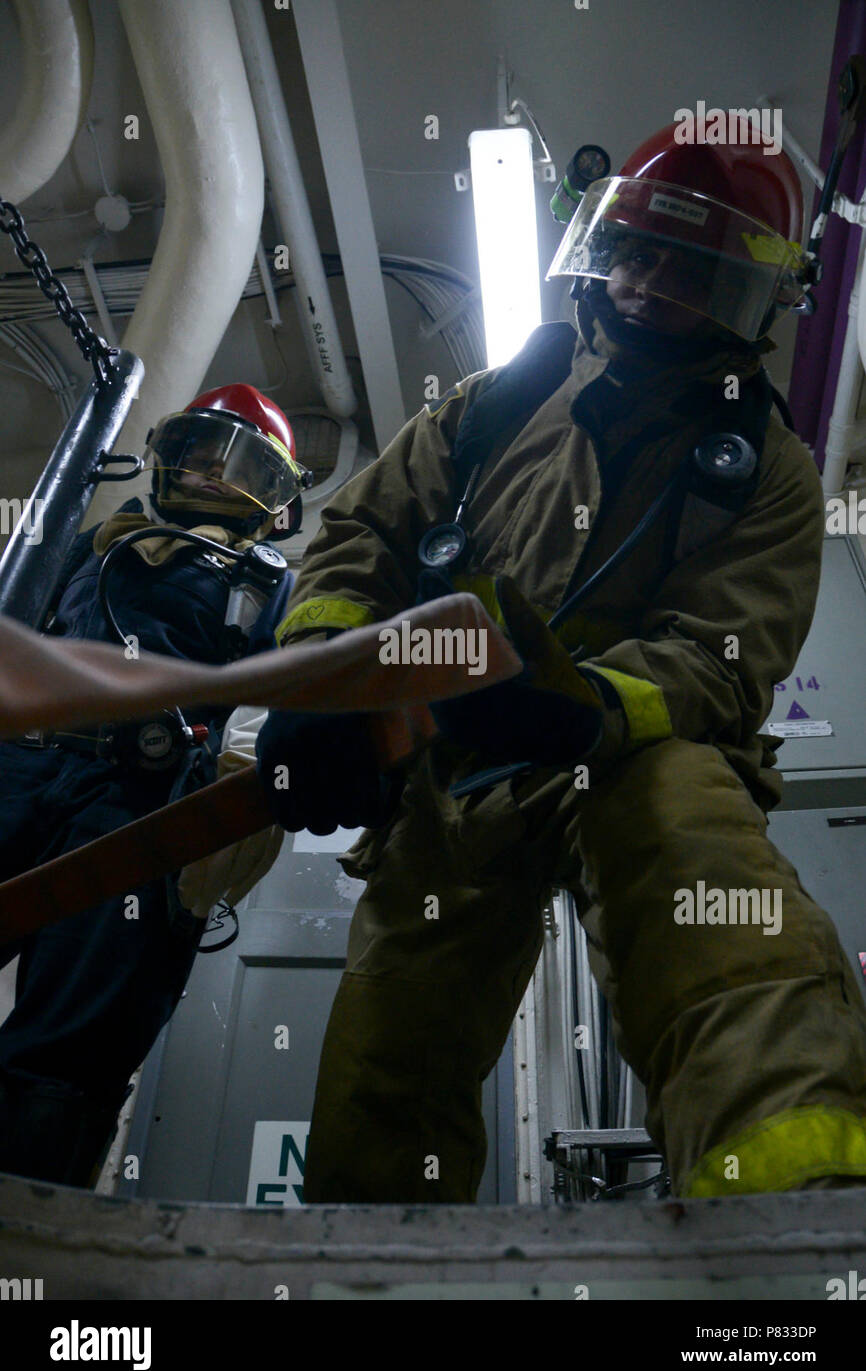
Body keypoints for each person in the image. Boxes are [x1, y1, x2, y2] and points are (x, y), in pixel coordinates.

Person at [256, 124, 866, 1202]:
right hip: (452, 759)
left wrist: (585, 707)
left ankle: (792, 1199)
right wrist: (318, 684)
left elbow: (722, 658)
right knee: (390, 1043)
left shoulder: (766, 472)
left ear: (750, 297)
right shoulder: (498, 399)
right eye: (632, 253)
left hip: (627, 752)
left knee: (709, 897)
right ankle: (374, 1270)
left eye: (688, 269)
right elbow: (359, 535)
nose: (644, 286)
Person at [0, 383, 306, 1187]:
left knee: (72, 1045)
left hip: (137, 799)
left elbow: (268, 706)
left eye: (240, 464)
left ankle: (29, 1245)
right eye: (202, 451)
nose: (212, 472)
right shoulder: (86, 545)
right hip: (21, 767)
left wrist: (234, 814)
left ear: (275, 501)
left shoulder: (267, 583)